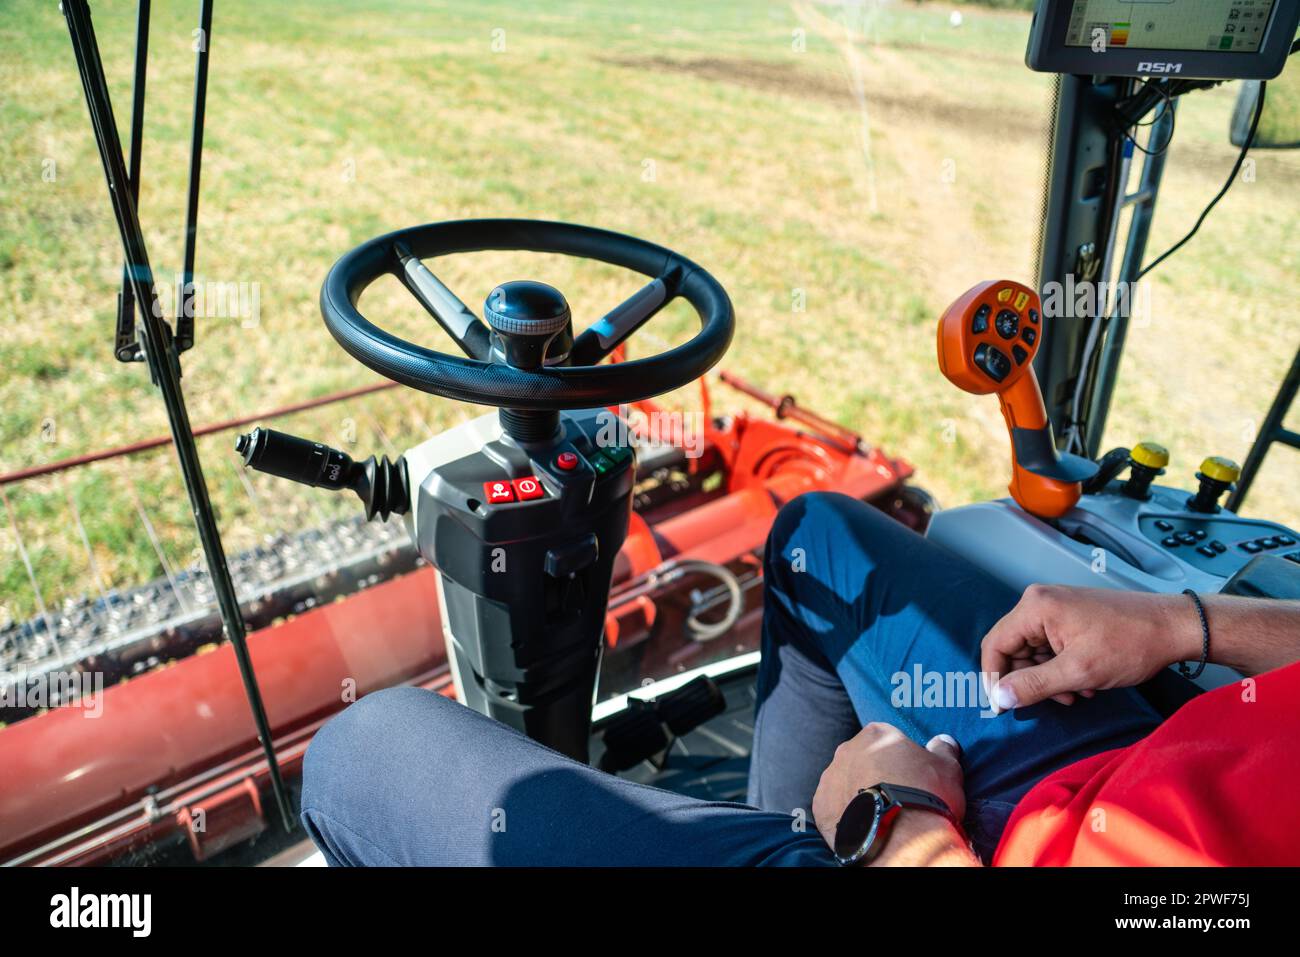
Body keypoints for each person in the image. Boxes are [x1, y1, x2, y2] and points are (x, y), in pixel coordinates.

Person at [300, 491, 1300, 866]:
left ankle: (819, 840)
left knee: (354, 752)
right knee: (820, 541)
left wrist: (893, 832)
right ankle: (787, 827)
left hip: (962, 849)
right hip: (1126, 776)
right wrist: (1183, 622)